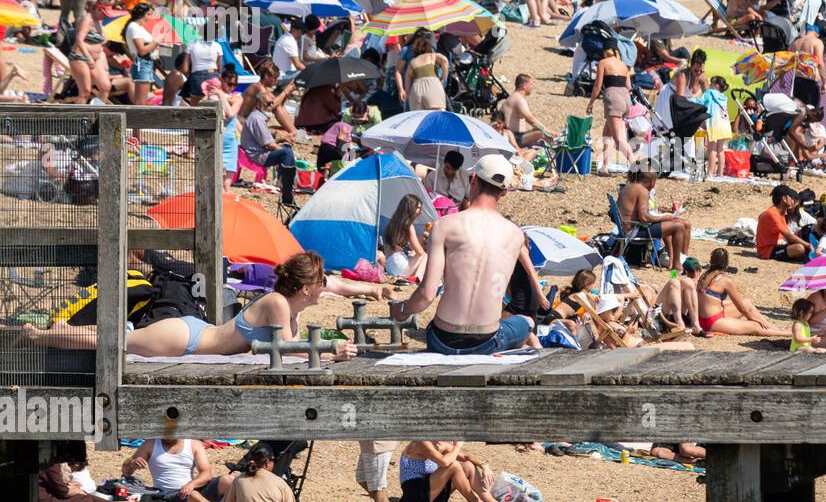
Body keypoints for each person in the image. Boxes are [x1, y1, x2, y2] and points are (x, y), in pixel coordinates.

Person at [22, 252, 358, 361]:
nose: (324, 288)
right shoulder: (277, 304)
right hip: (187, 338)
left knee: (119, 335)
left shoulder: (288, 307)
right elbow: (286, 349)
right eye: (320, 283)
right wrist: (331, 351)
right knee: (113, 342)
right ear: (304, 288)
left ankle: (61, 330)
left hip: (195, 332)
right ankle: (38, 337)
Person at [391, 156, 539, 354]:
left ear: (474, 178)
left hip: (442, 338)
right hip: (487, 340)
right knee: (525, 321)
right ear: (504, 191)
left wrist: (402, 311)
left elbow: (426, 295)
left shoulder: (444, 226)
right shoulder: (515, 235)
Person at [121, 436, 227, 502]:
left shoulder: (193, 444)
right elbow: (126, 472)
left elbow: (206, 473)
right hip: (168, 496)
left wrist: (191, 484)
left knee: (228, 480)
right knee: (193, 495)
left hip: (191, 488)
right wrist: (132, 464)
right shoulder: (151, 444)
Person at [695, 248, 787, 338]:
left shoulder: (704, 275)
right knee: (756, 326)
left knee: (747, 302)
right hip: (713, 322)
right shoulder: (725, 281)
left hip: (703, 318)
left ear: (711, 260)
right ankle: (786, 334)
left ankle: (772, 328)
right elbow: (741, 308)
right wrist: (754, 318)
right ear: (726, 263)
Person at [617, 169, 692, 270]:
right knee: (678, 226)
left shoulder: (627, 187)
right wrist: (664, 217)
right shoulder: (642, 190)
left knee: (675, 223)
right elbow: (644, 217)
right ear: (652, 181)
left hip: (625, 229)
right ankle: (676, 266)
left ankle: (677, 260)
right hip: (635, 231)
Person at [397, 441, 496, 502]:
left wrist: (484, 466)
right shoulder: (422, 442)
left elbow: (466, 456)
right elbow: (444, 462)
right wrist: (456, 447)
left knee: (468, 465)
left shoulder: (440, 444)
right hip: (414, 493)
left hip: (432, 492)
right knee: (454, 465)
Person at [587, 43, 634, 173]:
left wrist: (591, 103)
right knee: (607, 134)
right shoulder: (623, 64)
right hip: (625, 99)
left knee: (619, 140)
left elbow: (597, 86)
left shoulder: (603, 63)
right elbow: (629, 87)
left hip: (613, 100)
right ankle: (605, 167)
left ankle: (636, 167)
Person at [378, 194, 430, 279]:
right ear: (411, 208)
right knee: (424, 255)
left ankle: (415, 277)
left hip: (390, 265)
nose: (420, 211)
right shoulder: (409, 226)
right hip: (399, 265)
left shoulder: (393, 223)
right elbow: (419, 252)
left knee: (414, 255)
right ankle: (417, 277)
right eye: (418, 208)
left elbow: (412, 248)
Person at [756, 185, 810, 261]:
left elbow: (788, 233)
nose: (792, 200)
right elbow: (788, 236)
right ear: (784, 199)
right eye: (790, 197)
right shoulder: (772, 214)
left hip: (780, 245)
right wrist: (808, 245)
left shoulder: (781, 212)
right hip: (767, 250)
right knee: (799, 248)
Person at [502, 74, 552, 147]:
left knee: (537, 130)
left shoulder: (513, 97)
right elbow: (530, 118)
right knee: (541, 133)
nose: (532, 87)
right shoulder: (518, 99)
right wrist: (549, 131)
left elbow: (530, 121)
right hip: (513, 138)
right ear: (524, 86)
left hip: (512, 135)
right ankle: (559, 150)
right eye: (531, 84)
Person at [403, 32, 448, 111]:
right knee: (437, 116)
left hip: (416, 89)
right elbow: (444, 60)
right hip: (432, 85)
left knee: (418, 119)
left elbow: (407, 81)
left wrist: (409, 96)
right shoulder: (432, 56)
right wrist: (443, 78)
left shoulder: (413, 61)